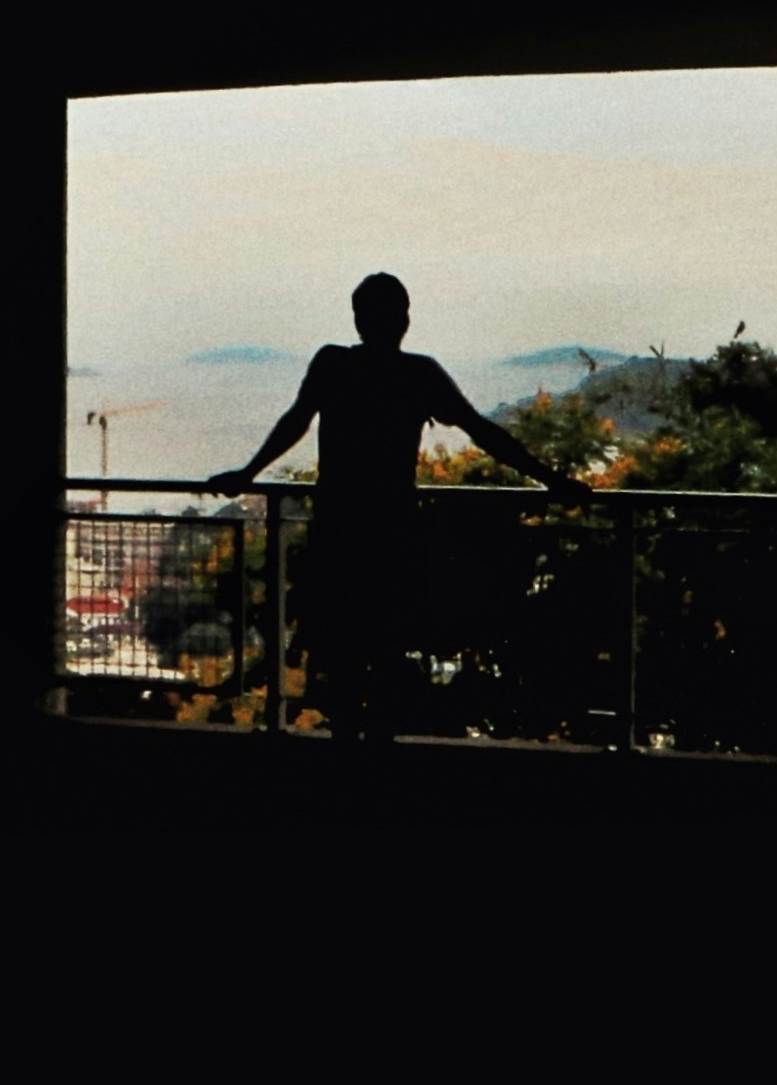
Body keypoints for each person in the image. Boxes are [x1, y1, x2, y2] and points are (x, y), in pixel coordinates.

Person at [207, 272, 590, 739]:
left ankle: (348, 744)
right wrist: (552, 480)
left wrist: (248, 473)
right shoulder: (418, 375)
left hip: (337, 531)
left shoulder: (332, 365)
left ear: (357, 318)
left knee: (342, 656)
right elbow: (482, 431)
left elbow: (295, 423)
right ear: (403, 319)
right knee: (386, 652)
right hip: (392, 535)